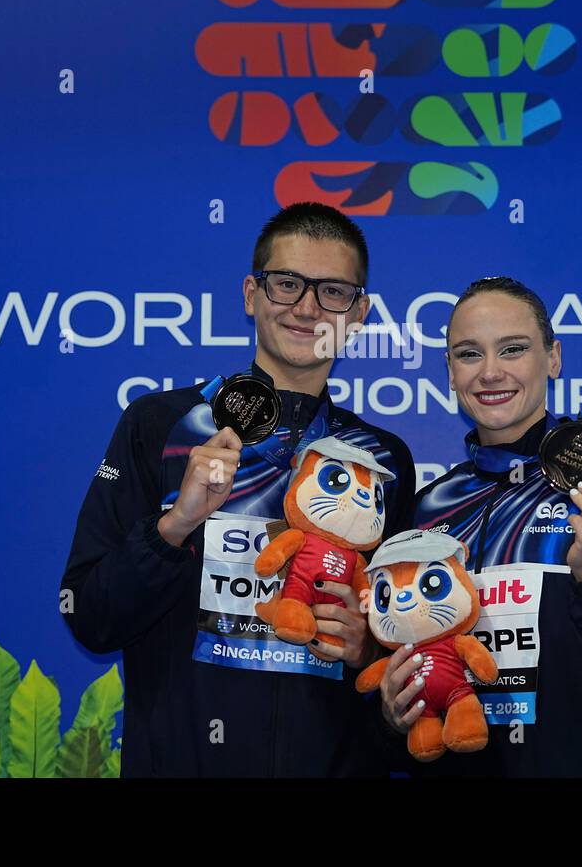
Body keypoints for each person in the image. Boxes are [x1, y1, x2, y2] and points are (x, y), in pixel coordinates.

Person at [60, 202, 416, 776]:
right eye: (287, 284)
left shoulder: (383, 460)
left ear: (359, 313)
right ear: (251, 294)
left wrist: (366, 650)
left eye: (333, 292)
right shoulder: (160, 425)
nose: (307, 308)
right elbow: (90, 616)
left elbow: (401, 660)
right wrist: (173, 526)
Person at [373, 276, 582, 776]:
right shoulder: (428, 511)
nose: (490, 372)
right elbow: (412, 696)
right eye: (468, 354)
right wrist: (397, 715)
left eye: (512, 349)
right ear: (449, 372)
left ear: (553, 358)